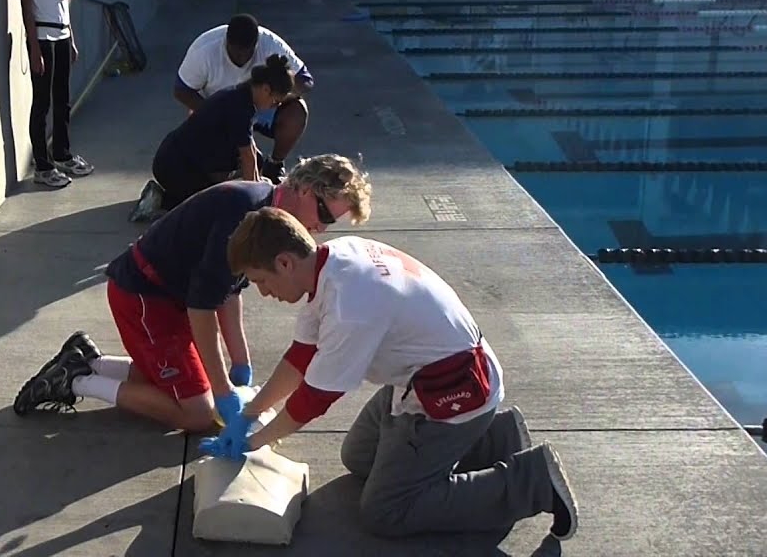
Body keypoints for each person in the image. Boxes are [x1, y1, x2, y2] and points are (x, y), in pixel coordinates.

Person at [209, 207, 579, 542]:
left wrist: (254, 443)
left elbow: (313, 399)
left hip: (452, 395)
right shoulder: (335, 258)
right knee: (359, 456)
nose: (264, 292)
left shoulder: (351, 305)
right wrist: (249, 414)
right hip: (424, 374)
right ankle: (498, 436)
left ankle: (532, 481)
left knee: (385, 510)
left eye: (261, 280)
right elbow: (301, 357)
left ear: (285, 262)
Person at [12, 155, 372, 434]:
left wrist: (240, 362)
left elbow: (227, 292)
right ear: (305, 190)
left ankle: (90, 361)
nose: (320, 228)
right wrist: (223, 390)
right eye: (324, 215)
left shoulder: (267, 217)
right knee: (199, 413)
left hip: (168, 298)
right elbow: (203, 307)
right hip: (143, 297)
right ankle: (73, 380)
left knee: (179, 384)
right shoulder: (243, 213)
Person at [174, 14, 313, 184]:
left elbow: (306, 81)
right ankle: (215, 173)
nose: (241, 59)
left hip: (258, 107)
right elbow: (181, 90)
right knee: (228, 163)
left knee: (297, 112)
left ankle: (274, 165)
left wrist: (277, 97)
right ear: (226, 42)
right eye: (236, 53)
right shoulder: (204, 51)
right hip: (221, 110)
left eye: (246, 54)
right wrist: (213, 112)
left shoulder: (270, 44)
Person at [152, 54, 295, 211]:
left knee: (257, 161)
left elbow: (252, 152)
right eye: (275, 102)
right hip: (173, 165)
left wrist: (258, 184)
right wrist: (255, 205)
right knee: (213, 203)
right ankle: (161, 201)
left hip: (186, 159)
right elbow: (247, 157)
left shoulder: (242, 96)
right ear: (265, 89)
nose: (273, 107)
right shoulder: (239, 106)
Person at [18, 0, 94, 188]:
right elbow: (26, 5)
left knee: (63, 99)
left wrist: (71, 38)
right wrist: (34, 48)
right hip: (43, 37)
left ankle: (62, 152)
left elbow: (62, 1)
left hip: (61, 35)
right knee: (42, 102)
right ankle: (43, 165)